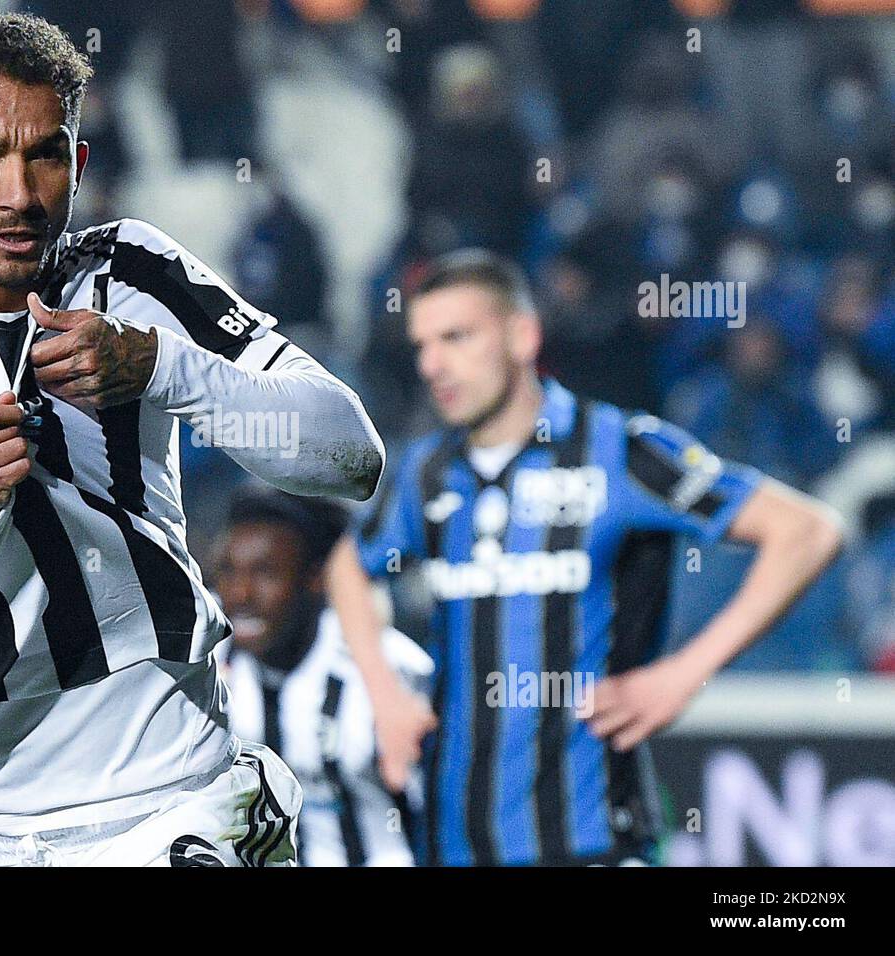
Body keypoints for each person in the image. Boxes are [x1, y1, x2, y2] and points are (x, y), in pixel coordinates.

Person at [0, 12, 384, 867]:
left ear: (79, 162)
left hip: (174, 805)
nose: (18, 193)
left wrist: (165, 369)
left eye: (44, 154)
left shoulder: (132, 275)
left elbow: (352, 456)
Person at [327, 249, 843, 866]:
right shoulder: (424, 473)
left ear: (522, 334)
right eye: (422, 345)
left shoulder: (621, 450)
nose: (434, 364)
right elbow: (348, 567)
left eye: (457, 337)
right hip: (453, 843)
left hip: (595, 839)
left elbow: (807, 531)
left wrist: (684, 674)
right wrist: (384, 696)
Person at [213, 488, 430, 866]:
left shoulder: (388, 671)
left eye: (265, 572)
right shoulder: (206, 670)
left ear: (314, 578)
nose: (241, 593)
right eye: (229, 572)